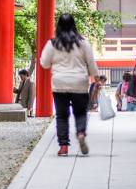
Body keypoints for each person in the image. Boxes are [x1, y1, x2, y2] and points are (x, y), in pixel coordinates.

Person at [39, 13, 100, 157]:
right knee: (80, 112)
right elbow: (91, 62)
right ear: (74, 25)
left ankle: (64, 146)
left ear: (58, 26)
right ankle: (80, 133)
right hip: (79, 82)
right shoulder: (83, 43)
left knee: (62, 116)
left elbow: (44, 63)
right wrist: (96, 78)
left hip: (60, 83)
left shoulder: (52, 44)